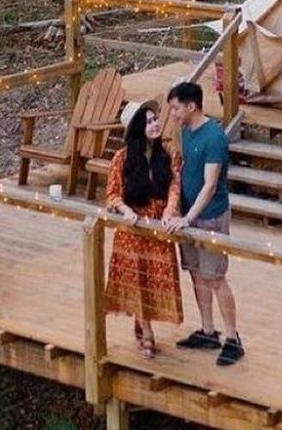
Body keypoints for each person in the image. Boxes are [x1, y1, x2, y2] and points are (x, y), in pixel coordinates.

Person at [163, 79, 243, 366]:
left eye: (175, 108)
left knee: (215, 277)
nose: (172, 113)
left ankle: (233, 338)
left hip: (209, 216)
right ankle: (208, 331)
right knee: (196, 273)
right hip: (187, 216)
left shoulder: (214, 138)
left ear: (191, 106)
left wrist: (188, 217)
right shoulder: (185, 132)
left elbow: (210, 185)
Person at [104, 99, 182, 359]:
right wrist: (126, 211)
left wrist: (170, 211)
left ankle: (141, 322)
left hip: (158, 227)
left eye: (155, 120)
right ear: (138, 127)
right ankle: (147, 334)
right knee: (137, 280)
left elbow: (174, 187)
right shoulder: (122, 158)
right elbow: (112, 194)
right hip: (133, 229)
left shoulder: (165, 155)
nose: (155, 124)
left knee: (153, 281)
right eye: (148, 121)